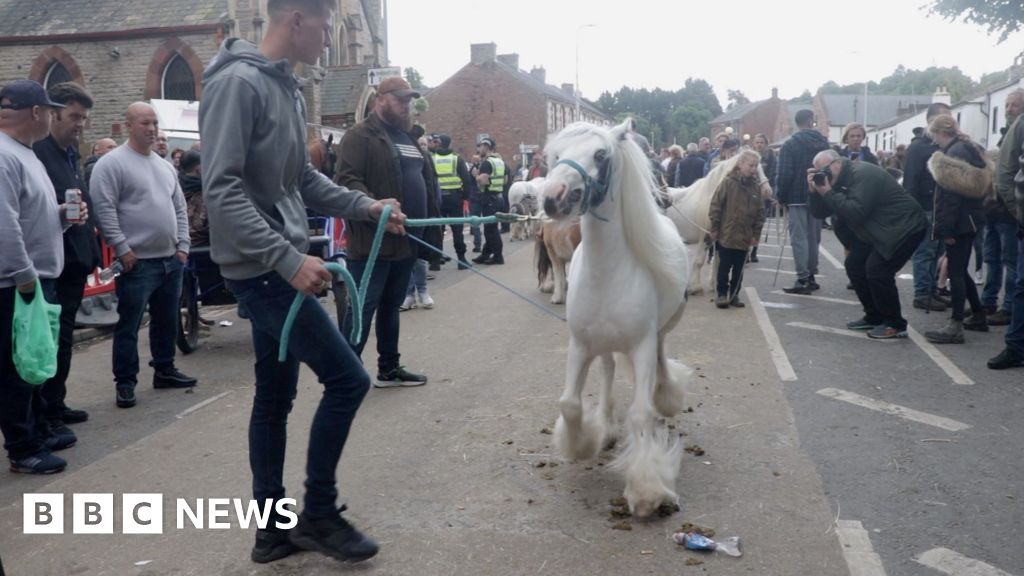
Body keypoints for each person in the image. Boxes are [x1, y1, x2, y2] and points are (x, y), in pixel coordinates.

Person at [201, 0, 408, 564]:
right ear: (296, 20)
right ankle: (318, 512)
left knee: (274, 397)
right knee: (349, 380)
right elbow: (220, 191)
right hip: (263, 273)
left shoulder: (287, 87)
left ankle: (271, 532)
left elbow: (302, 179)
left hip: (277, 265)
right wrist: (286, 260)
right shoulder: (238, 84)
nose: (327, 37)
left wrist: (367, 207)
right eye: (323, 25)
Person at [1, 79, 84, 474]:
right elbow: (4, 225)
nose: (52, 116)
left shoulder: (24, 154)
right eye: (50, 110)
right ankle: (23, 447)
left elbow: (31, 215)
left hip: (34, 277)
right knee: (17, 367)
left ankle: (37, 430)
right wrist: (24, 275)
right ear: (36, 113)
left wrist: (62, 219)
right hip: (17, 283)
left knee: (33, 361)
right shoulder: (4, 156)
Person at [90, 102, 197, 409]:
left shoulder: (164, 166)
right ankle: (125, 382)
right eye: (143, 123)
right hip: (137, 262)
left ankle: (164, 369)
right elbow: (104, 208)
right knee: (129, 324)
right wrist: (122, 248)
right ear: (128, 125)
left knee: (166, 320)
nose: (151, 129)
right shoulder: (111, 165)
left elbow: (178, 207)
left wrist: (183, 246)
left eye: (154, 123)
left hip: (170, 259)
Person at [336, 75, 435, 386]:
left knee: (391, 308)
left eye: (409, 100)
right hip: (372, 243)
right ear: (380, 100)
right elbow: (347, 183)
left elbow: (424, 182)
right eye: (400, 99)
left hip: (406, 241)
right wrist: (377, 210)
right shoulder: (359, 136)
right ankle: (344, 375)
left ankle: (389, 368)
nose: (406, 105)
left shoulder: (408, 137)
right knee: (362, 310)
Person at [31, 82, 101, 439]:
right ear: (53, 113)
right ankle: (45, 415)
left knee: (63, 340)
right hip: (51, 268)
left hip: (74, 265)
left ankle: (56, 404)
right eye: (75, 116)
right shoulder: (39, 154)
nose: (80, 124)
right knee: (49, 343)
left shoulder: (69, 154)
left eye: (84, 118)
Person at [808, 149, 927, 339]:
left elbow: (856, 211)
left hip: (903, 227)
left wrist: (828, 192)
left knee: (878, 270)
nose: (823, 175)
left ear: (836, 163)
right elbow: (819, 213)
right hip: (878, 231)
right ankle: (874, 315)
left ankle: (895, 323)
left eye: (823, 170)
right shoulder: (838, 180)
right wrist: (815, 191)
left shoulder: (863, 174)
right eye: (817, 171)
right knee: (854, 264)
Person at [921, 115, 990, 344]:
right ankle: (978, 314)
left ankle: (956, 325)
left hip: (960, 222)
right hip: (969, 219)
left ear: (940, 133)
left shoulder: (954, 152)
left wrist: (946, 230)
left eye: (933, 136)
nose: (933, 141)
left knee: (956, 273)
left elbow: (951, 197)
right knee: (960, 269)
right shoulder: (966, 147)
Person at [988, 91, 1024, 369]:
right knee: (1018, 278)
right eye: (1008, 105)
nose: (1010, 109)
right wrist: (1018, 211)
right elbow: (1005, 173)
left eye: (1015, 105)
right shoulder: (1019, 126)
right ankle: (1016, 345)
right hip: (1013, 217)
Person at [905, 102, 953, 311]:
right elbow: (910, 181)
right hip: (925, 207)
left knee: (937, 251)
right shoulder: (918, 147)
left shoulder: (945, 146)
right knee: (925, 252)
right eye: (943, 119)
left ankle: (931, 290)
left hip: (940, 208)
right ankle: (922, 293)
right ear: (930, 120)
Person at [776, 109, 830, 295]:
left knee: (799, 239)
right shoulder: (824, 144)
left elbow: (784, 173)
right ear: (812, 122)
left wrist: (780, 196)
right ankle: (812, 275)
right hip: (818, 195)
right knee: (814, 239)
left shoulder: (790, 144)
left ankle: (802, 278)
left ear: (796, 122)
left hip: (796, 196)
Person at [709, 149, 765, 308]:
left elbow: (760, 212)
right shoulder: (728, 183)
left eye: (756, 166)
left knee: (739, 270)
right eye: (750, 165)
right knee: (724, 268)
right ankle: (721, 294)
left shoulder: (756, 187)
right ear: (740, 164)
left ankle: (734, 295)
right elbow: (716, 205)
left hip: (745, 237)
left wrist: (756, 233)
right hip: (726, 235)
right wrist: (714, 226)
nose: (753, 169)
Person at [431, 133, 474, 269]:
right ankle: (461, 260)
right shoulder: (457, 159)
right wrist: (465, 197)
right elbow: (466, 180)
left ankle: (435, 262)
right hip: (455, 198)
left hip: (438, 200)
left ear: (439, 143)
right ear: (449, 144)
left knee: (438, 229)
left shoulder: (432, 158)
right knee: (457, 229)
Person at [472, 137, 506, 265]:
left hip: (490, 198)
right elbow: (506, 180)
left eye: (481, 146)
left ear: (486, 147)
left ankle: (498, 256)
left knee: (491, 229)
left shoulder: (487, 163)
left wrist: (476, 175)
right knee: (491, 227)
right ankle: (486, 253)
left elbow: (483, 180)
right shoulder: (499, 161)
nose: (479, 148)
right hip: (498, 197)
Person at [178, 149, 208, 247]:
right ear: (198, 169)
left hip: (181, 244)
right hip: (203, 247)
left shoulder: (175, 186)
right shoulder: (205, 190)